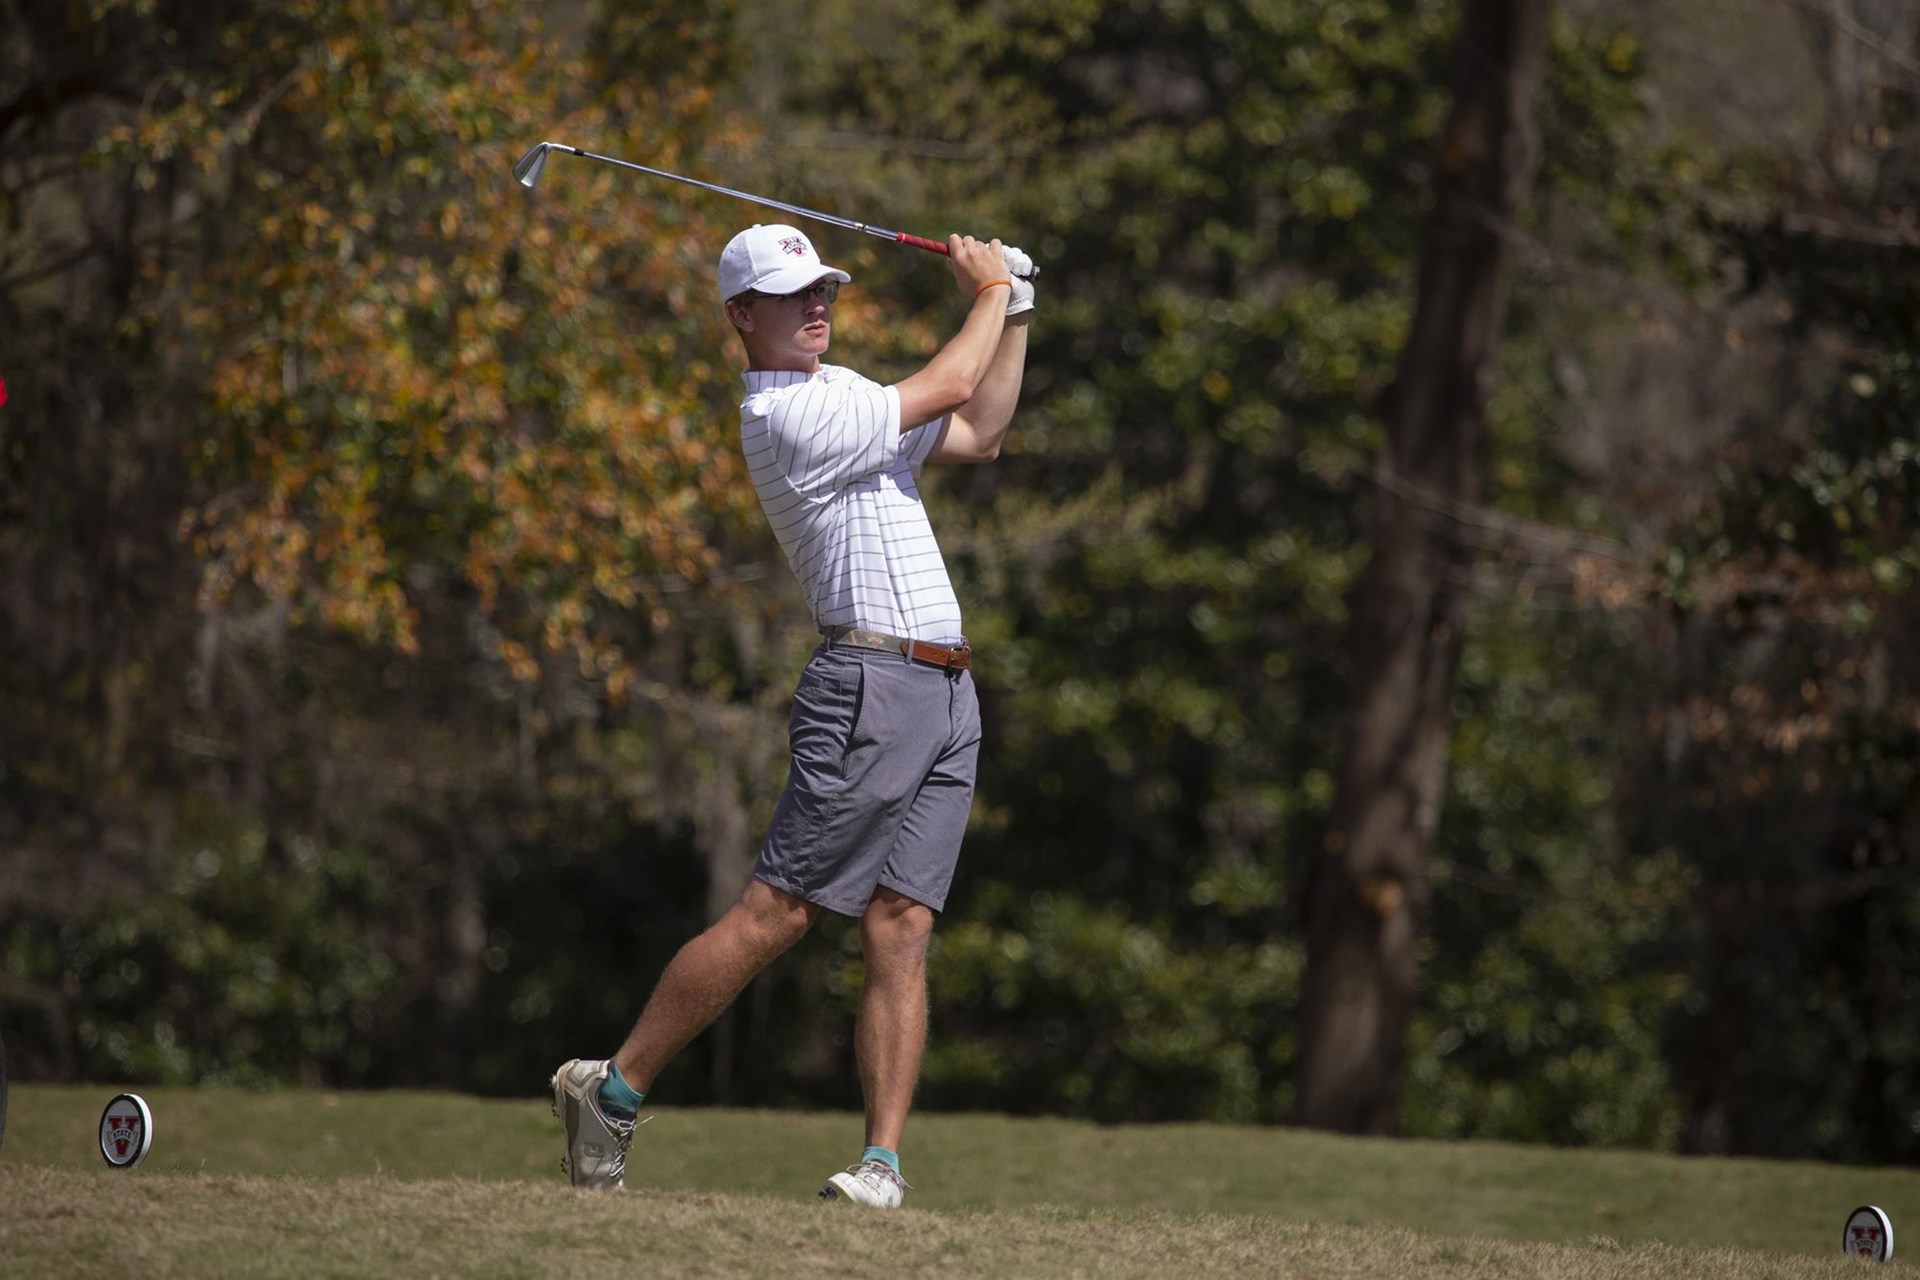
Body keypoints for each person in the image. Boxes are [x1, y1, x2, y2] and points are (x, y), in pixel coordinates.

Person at [551, 222, 1033, 1208]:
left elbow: (981, 431)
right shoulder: (784, 416)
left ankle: (880, 1166)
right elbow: (950, 384)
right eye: (791, 296)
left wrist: (1016, 308)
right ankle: (616, 1087)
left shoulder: (843, 391)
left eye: (823, 290)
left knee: (902, 924)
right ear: (741, 315)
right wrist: (986, 293)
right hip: (870, 684)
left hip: (947, 691)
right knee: (781, 912)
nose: (818, 306)